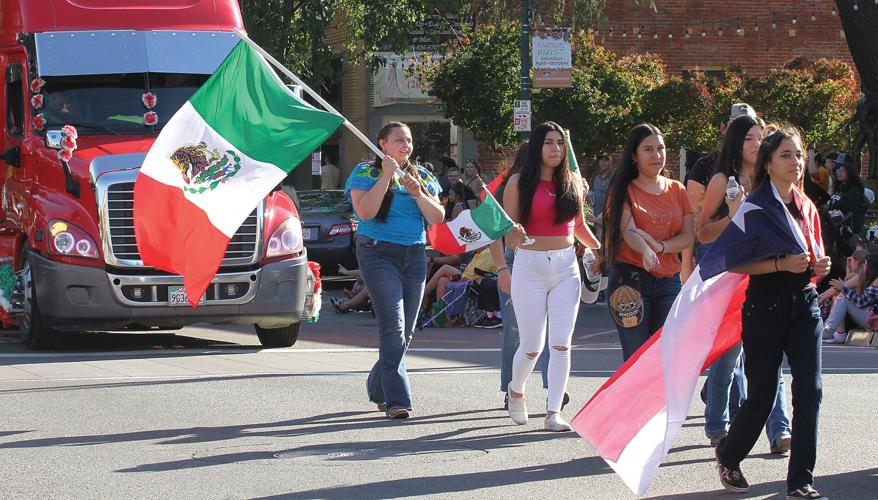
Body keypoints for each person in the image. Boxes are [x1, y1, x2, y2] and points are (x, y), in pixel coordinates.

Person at [714, 127, 831, 500]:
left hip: (805, 305)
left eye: (798, 154)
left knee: (810, 392)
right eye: (785, 155)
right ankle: (729, 454)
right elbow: (733, 262)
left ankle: (801, 481)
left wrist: (821, 266)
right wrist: (780, 264)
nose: (795, 162)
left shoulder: (807, 205)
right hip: (764, 309)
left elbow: (811, 259)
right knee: (762, 396)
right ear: (768, 162)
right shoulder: (755, 207)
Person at [695, 115, 792, 452]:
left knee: (770, 356)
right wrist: (732, 216)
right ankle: (717, 425)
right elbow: (703, 232)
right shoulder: (723, 179)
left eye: (760, 138)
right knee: (729, 358)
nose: (755, 144)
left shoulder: (771, 178)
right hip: (733, 277)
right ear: (736, 142)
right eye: (749, 138)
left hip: (770, 274)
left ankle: (779, 430)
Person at [502, 121, 599, 431]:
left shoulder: (572, 180)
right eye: (549, 142)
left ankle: (553, 412)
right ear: (537, 148)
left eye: (560, 142)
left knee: (561, 344)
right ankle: (516, 391)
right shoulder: (519, 182)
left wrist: (600, 250)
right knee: (532, 345)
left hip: (566, 266)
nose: (556, 148)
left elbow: (580, 226)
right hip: (529, 266)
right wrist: (513, 237)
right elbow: (507, 232)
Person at [344, 121, 445, 419]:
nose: (406, 145)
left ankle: (378, 386)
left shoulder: (422, 174)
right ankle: (397, 400)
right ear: (382, 143)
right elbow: (366, 212)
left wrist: (417, 194)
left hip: (414, 253)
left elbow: (437, 216)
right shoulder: (365, 172)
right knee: (393, 326)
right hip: (377, 252)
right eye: (398, 140)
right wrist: (386, 177)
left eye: (409, 140)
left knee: (407, 332)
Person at [601, 124, 694, 361]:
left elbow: (687, 236)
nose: (657, 155)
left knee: (667, 355)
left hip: (668, 282)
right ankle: (631, 400)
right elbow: (629, 230)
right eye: (648, 149)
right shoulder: (623, 189)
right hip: (630, 281)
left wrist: (661, 247)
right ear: (634, 155)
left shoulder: (678, 190)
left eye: (661, 148)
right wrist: (645, 250)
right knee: (637, 358)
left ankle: (663, 400)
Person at [490, 141, 555, 408]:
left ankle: (555, 388)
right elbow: (494, 233)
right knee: (516, 331)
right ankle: (512, 388)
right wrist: (503, 269)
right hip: (516, 261)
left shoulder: (557, 187)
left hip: (552, 262)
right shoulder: (509, 188)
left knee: (554, 331)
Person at [682, 103, 758, 282]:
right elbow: (693, 218)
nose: (754, 142)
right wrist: (685, 267)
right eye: (738, 125)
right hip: (715, 250)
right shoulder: (706, 167)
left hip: (754, 251)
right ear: (724, 128)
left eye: (753, 126)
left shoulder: (766, 169)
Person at [822, 252, 878, 343]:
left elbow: (861, 302)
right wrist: (848, 269)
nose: (863, 267)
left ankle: (829, 330)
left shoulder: (876, 281)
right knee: (843, 296)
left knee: (843, 297)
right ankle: (832, 331)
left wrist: (843, 287)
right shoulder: (870, 279)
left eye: (865, 264)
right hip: (872, 318)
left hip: (873, 320)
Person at [827, 152, 866, 234]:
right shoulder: (839, 187)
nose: (838, 172)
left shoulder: (853, 191)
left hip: (843, 233)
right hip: (831, 229)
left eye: (842, 170)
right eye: (838, 168)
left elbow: (852, 216)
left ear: (850, 170)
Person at [587, 155, 614, 239]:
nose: (603, 162)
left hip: (609, 218)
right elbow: (593, 195)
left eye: (606, 160)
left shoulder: (615, 177)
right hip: (597, 216)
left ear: (610, 162)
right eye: (601, 160)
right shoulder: (596, 178)